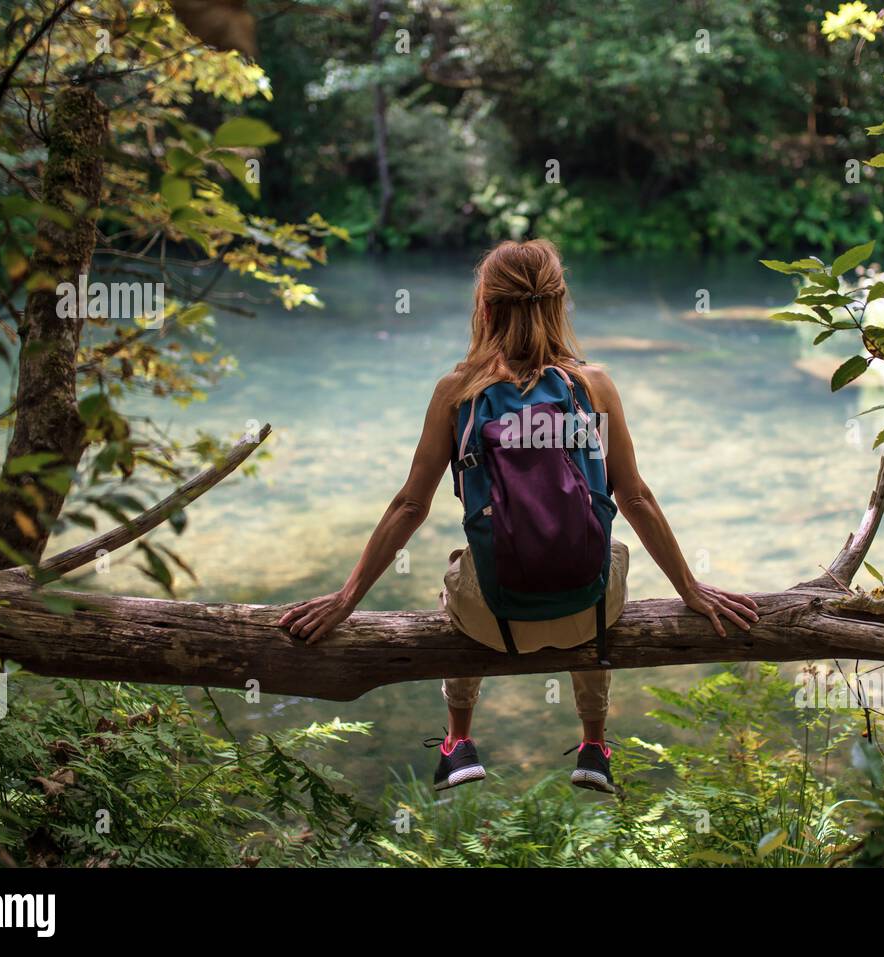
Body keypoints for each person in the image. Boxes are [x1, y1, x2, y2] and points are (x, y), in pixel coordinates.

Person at [279, 239, 758, 795]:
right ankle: (595, 743)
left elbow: (411, 505)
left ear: (484, 308)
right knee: (601, 547)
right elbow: (634, 498)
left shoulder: (458, 393)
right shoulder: (593, 387)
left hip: (493, 623)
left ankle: (459, 740)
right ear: (558, 306)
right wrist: (690, 588)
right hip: (589, 615)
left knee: (463, 566)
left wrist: (346, 600)